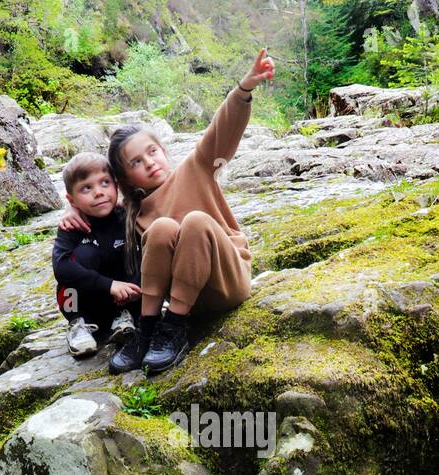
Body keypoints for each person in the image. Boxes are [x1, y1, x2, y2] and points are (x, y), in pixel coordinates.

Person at [58, 49, 276, 373]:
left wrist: (243, 91)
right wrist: (70, 212)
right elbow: (96, 214)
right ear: (124, 179)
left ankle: (173, 326)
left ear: (163, 150)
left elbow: (222, 132)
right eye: (136, 162)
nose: (149, 163)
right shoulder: (131, 213)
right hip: (191, 301)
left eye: (152, 152)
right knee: (161, 229)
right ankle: (148, 330)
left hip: (227, 281)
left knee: (195, 222)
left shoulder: (197, 167)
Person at [52, 152, 142, 358]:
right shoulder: (72, 227)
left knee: (138, 251)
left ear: (116, 185)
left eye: (105, 183)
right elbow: (61, 267)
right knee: (81, 258)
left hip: (126, 299)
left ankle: (125, 318)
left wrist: (133, 287)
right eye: (86, 188)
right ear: (71, 199)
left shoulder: (127, 216)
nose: (99, 193)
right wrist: (109, 285)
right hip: (87, 302)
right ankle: (77, 324)